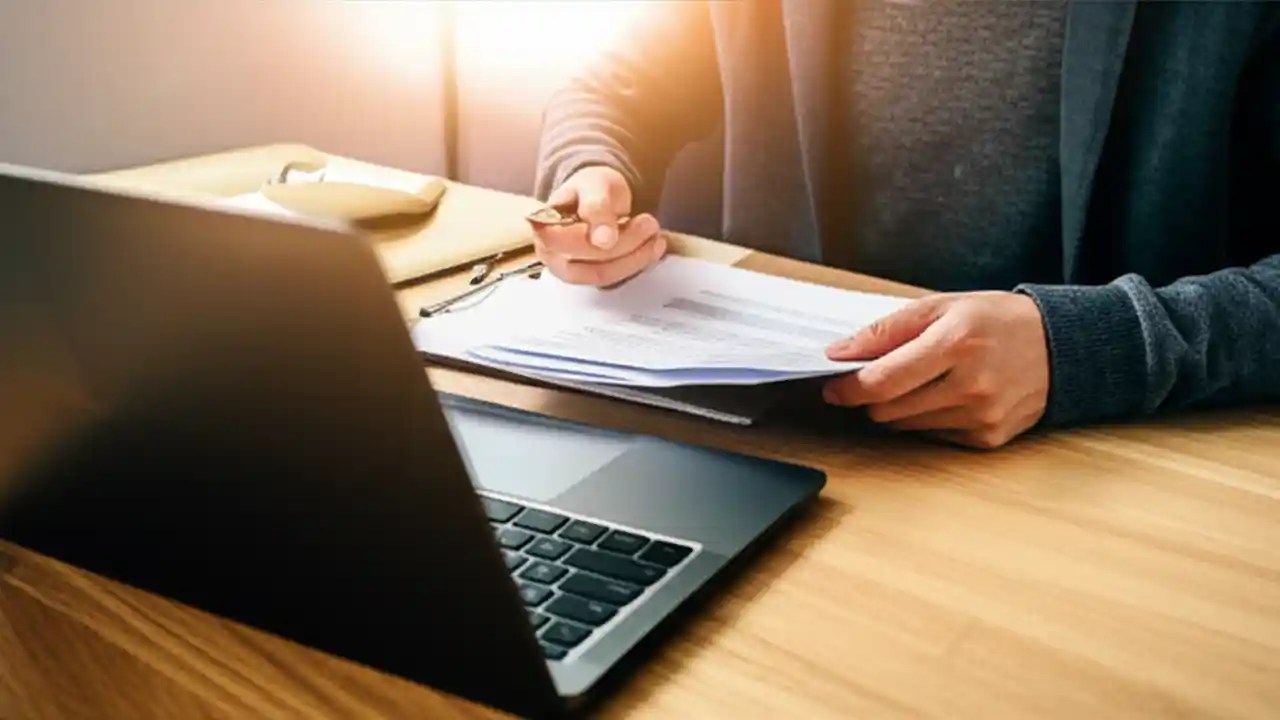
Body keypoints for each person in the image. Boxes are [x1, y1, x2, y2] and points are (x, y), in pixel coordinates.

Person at [530, 1, 1279, 448]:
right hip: (796, 445)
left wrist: (1087, 348)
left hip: (1109, 466)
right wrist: (588, 168)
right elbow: (614, 83)